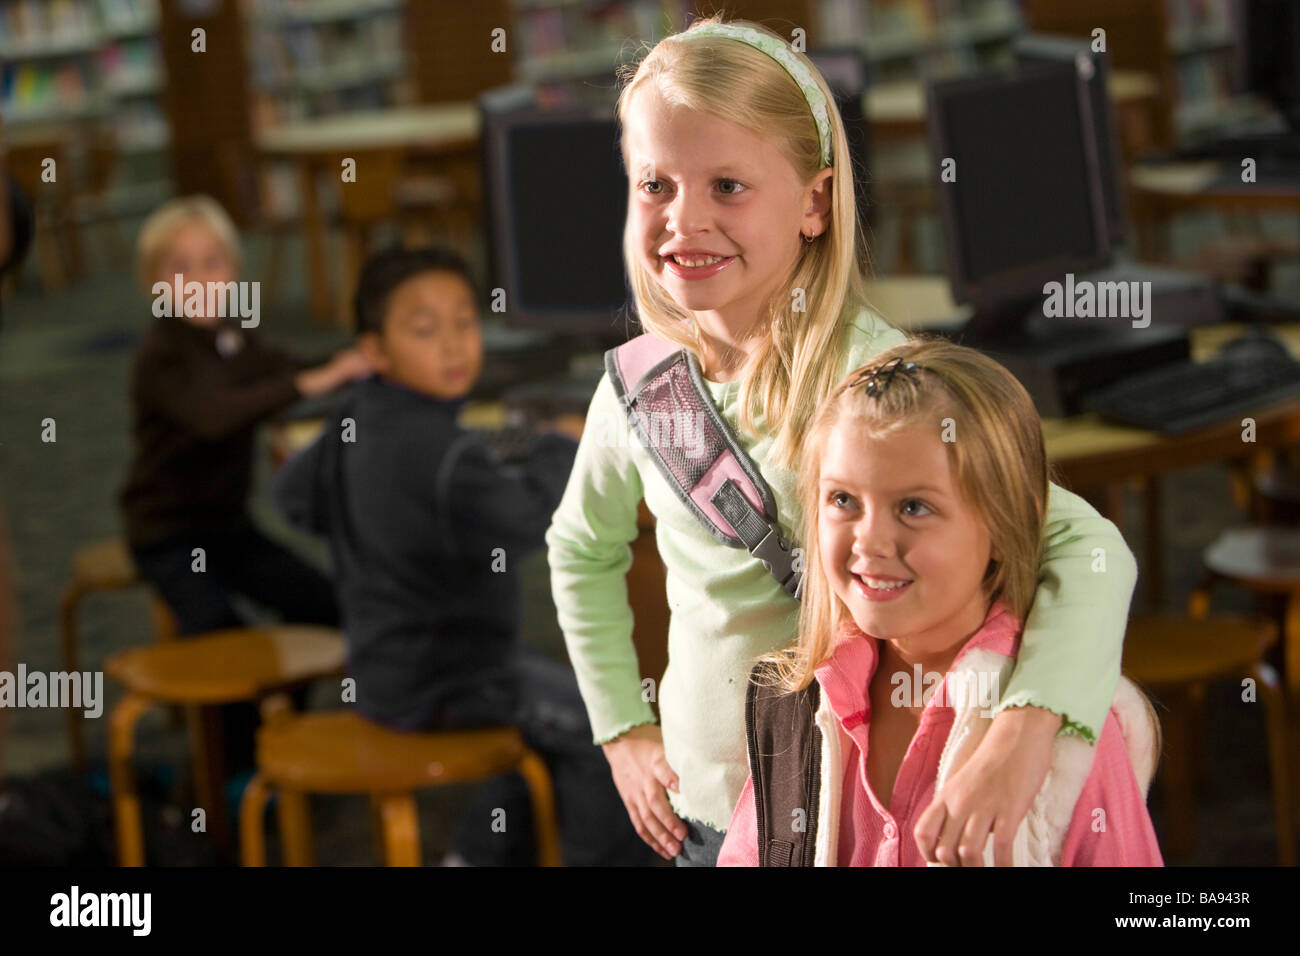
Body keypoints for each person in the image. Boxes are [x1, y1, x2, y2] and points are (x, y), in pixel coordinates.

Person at [545, 17, 1137, 867]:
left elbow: (1088, 550)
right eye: (655, 186)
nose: (686, 220)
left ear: (815, 202)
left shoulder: (881, 384)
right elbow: (579, 549)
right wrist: (622, 732)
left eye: (728, 187)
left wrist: (1024, 731)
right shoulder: (641, 387)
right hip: (706, 816)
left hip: (845, 820)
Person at [273, 245, 650, 866]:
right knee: (612, 729)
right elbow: (531, 522)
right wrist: (558, 446)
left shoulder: (354, 414)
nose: (453, 345)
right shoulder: (449, 454)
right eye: (425, 330)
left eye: (465, 322)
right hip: (454, 681)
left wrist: (379, 524)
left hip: (380, 670)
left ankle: (473, 855)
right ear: (374, 350)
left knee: (544, 716)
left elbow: (291, 497)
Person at [717, 340, 1162, 866]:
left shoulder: (1067, 746)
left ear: (1005, 525)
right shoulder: (795, 701)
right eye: (843, 500)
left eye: (914, 507)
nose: (871, 541)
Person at [119, 195, 368, 639]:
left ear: (233, 272)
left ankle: (288, 709)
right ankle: (255, 708)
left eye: (212, 263)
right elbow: (215, 416)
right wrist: (306, 385)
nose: (198, 281)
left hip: (229, 528)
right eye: (179, 269)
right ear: (153, 283)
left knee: (327, 601)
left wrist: (350, 361)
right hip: (168, 536)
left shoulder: (233, 333)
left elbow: (288, 367)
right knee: (223, 636)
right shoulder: (163, 354)